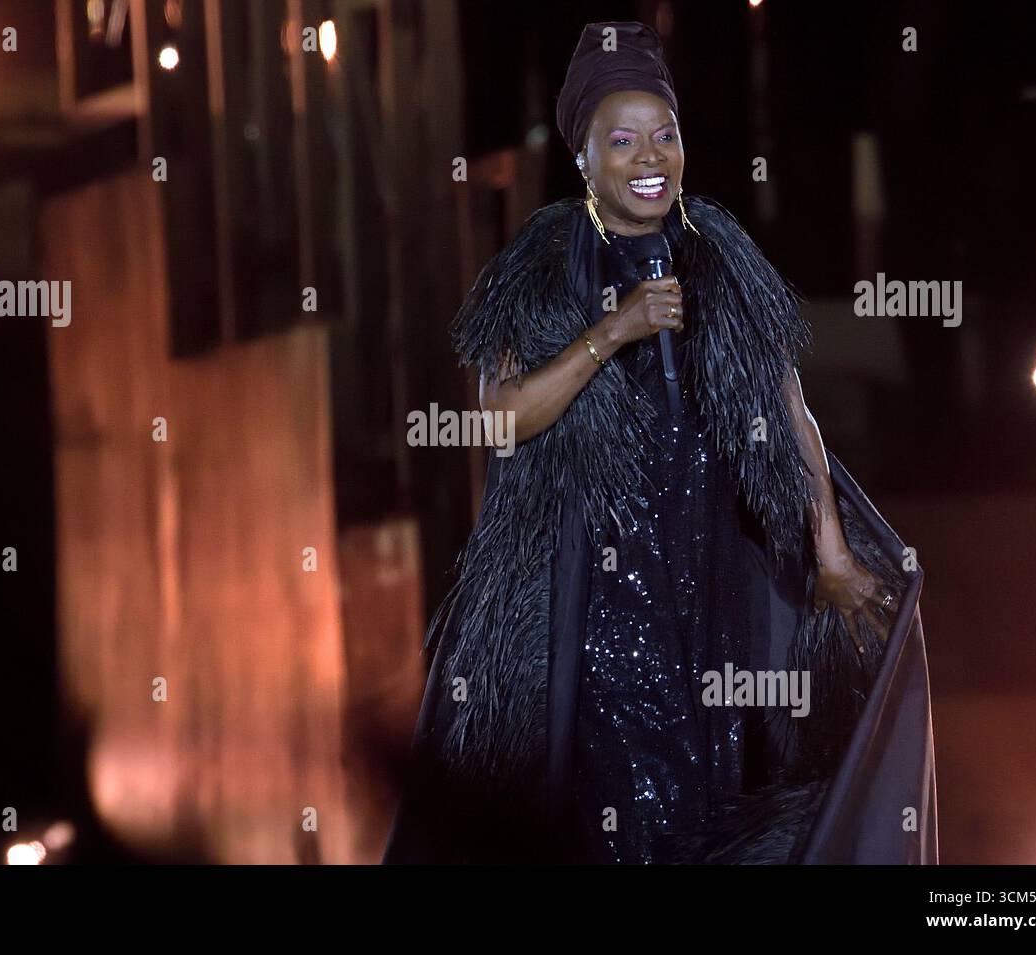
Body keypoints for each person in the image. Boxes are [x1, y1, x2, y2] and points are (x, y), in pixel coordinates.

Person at [383, 21, 936, 865]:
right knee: (625, 806)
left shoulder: (715, 252)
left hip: (709, 587)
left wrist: (830, 551)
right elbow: (500, 414)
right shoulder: (544, 263)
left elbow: (790, 413)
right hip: (591, 599)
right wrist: (616, 330)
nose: (651, 156)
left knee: (714, 797)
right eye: (623, 139)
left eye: (666, 133)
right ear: (584, 159)